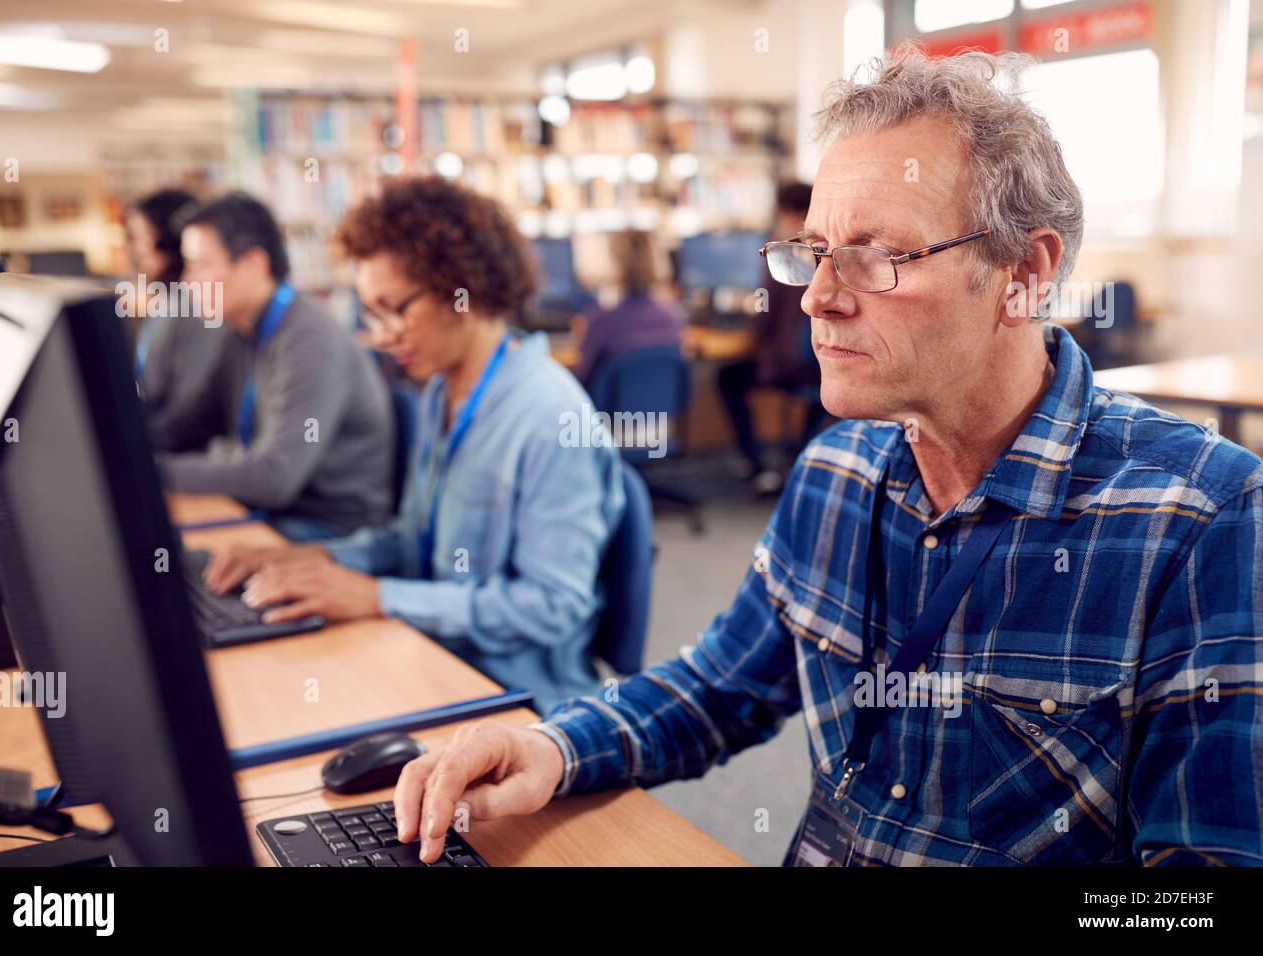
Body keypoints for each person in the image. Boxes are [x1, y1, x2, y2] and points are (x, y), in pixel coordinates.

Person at [384, 47, 1263, 866]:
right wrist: (553, 744)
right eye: (812, 254)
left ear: (1025, 276)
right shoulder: (836, 471)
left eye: (876, 256)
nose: (819, 299)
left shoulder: (1200, 524)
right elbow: (721, 687)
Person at [204, 176, 625, 716]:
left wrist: (378, 597)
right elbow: (412, 541)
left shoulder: (549, 419)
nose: (382, 335)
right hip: (435, 656)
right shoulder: (439, 393)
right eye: (371, 315)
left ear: (461, 288)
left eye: (395, 309)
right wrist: (311, 559)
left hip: (518, 702)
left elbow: (551, 607)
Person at [154, 192, 392, 541]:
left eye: (200, 266)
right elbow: (190, 425)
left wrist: (151, 471)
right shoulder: (239, 331)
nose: (187, 282)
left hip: (330, 530)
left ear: (253, 263)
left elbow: (275, 478)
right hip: (273, 516)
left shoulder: (310, 338)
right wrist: (123, 445)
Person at [717, 181, 823, 495]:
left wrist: (741, 331)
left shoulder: (783, 253)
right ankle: (796, 453)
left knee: (728, 378)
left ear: (786, 211)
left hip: (789, 367)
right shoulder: (828, 250)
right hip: (821, 362)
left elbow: (762, 326)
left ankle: (756, 461)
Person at [125, 188, 234, 454]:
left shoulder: (194, 307)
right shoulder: (166, 302)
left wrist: (134, 446)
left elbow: (187, 412)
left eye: (142, 237)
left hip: (178, 454)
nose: (135, 249)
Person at [572, 229, 684, 386]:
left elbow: (583, 380)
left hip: (607, 409)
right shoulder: (671, 317)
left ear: (613, 263)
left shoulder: (602, 321)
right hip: (661, 409)